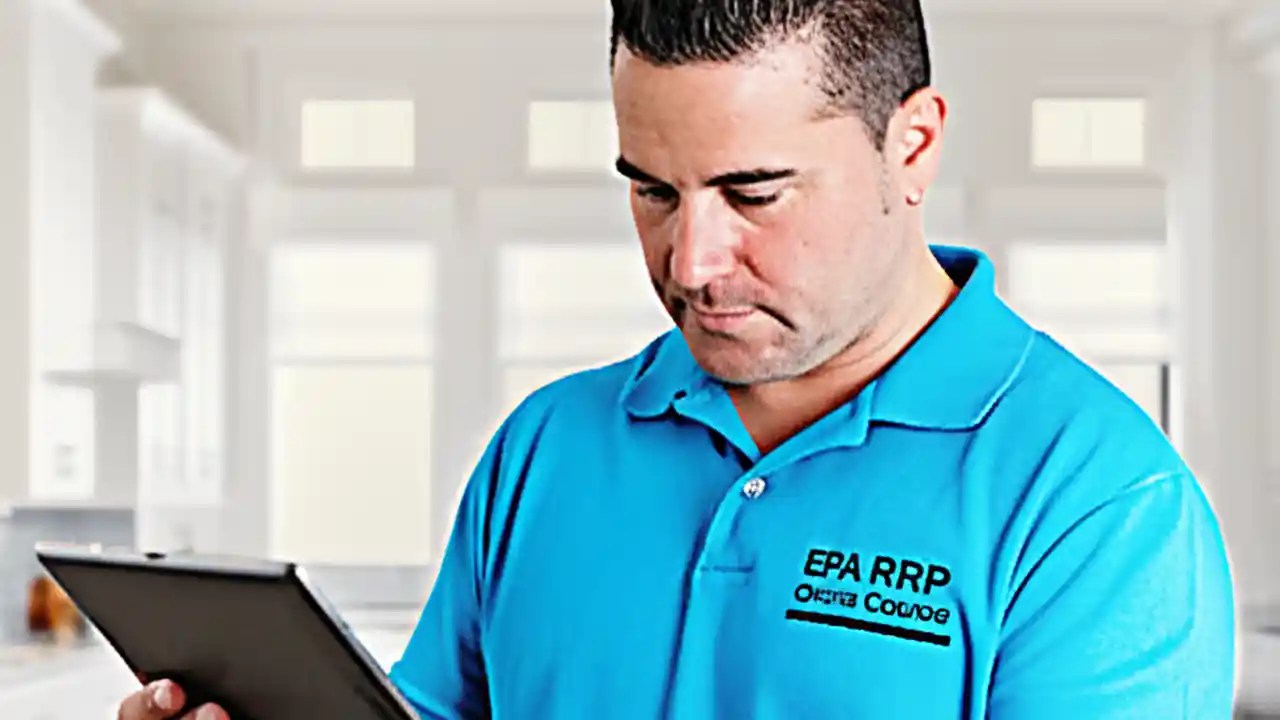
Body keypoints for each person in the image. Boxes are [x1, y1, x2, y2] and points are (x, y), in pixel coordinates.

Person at [118, 0, 1235, 718]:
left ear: (913, 145)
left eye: (751, 193)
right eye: (650, 190)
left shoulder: (1100, 507)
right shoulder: (542, 451)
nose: (690, 261)